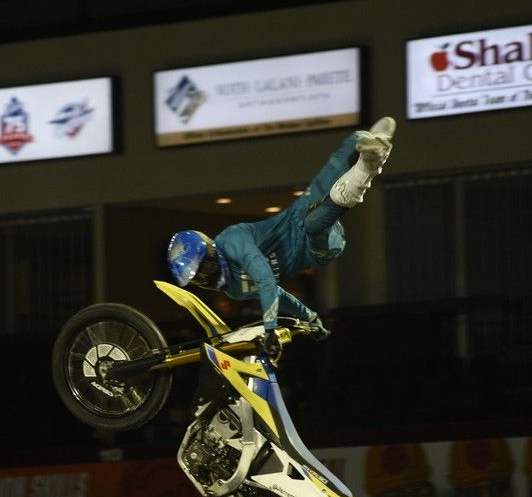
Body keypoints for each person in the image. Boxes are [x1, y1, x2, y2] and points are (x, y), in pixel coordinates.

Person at [167, 117, 396, 355]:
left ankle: (368, 140)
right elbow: (278, 294)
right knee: (314, 225)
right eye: (199, 280)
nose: (207, 279)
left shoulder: (233, 240)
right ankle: (369, 166)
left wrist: (270, 328)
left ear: (212, 249)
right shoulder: (232, 290)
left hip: (295, 217)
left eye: (204, 269)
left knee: (333, 167)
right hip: (314, 247)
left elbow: (266, 280)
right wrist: (309, 316)